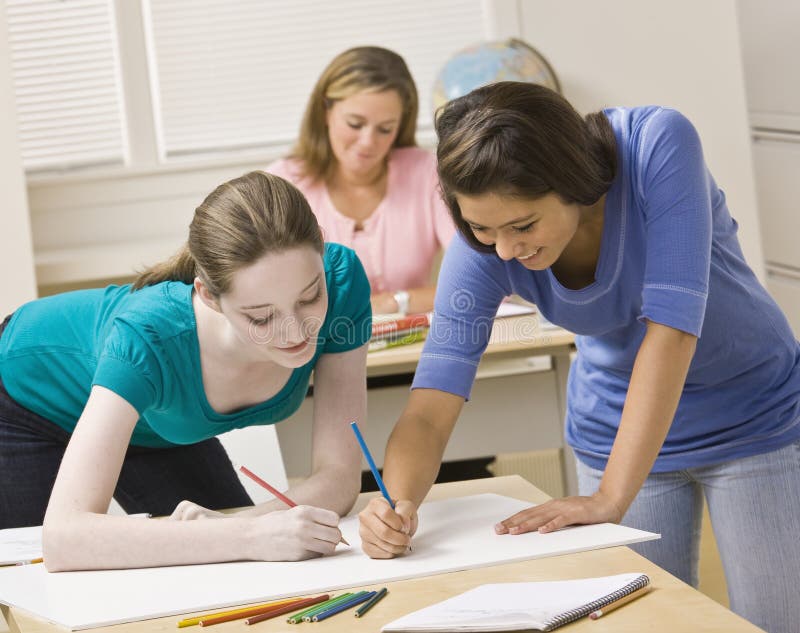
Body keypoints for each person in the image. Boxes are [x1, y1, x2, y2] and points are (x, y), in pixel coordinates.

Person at [357, 82, 800, 633]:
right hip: (616, 429)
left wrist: (611, 498)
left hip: (755, 414)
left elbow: (672, 332)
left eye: (523, 226)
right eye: (480, 229)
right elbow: (431, 404)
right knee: (641, 625)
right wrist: (396, 505)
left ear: (571, 183)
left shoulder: (658, 144)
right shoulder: (487, 247)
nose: (504, 250)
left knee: (777, 622)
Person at [0, 171, 371, 571]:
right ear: (209, 296)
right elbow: (64, 540)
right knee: (39, 585)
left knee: (242, 570)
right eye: (262, 317)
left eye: (310, 296)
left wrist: (240, 527)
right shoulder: (148, 338)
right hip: (25, 402)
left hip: (155, 426)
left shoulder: (342, 281)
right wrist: (250, 534)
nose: (297, 332)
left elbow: (339, 477)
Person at [268, 46, 455, 316]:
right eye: (355, 124)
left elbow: (480, 279)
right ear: (325, 112)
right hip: (313, 353)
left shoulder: (427, 171)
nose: (368, 142)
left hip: (416, 349)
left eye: (385, 129)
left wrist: (394, 302)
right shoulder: (282, 184)